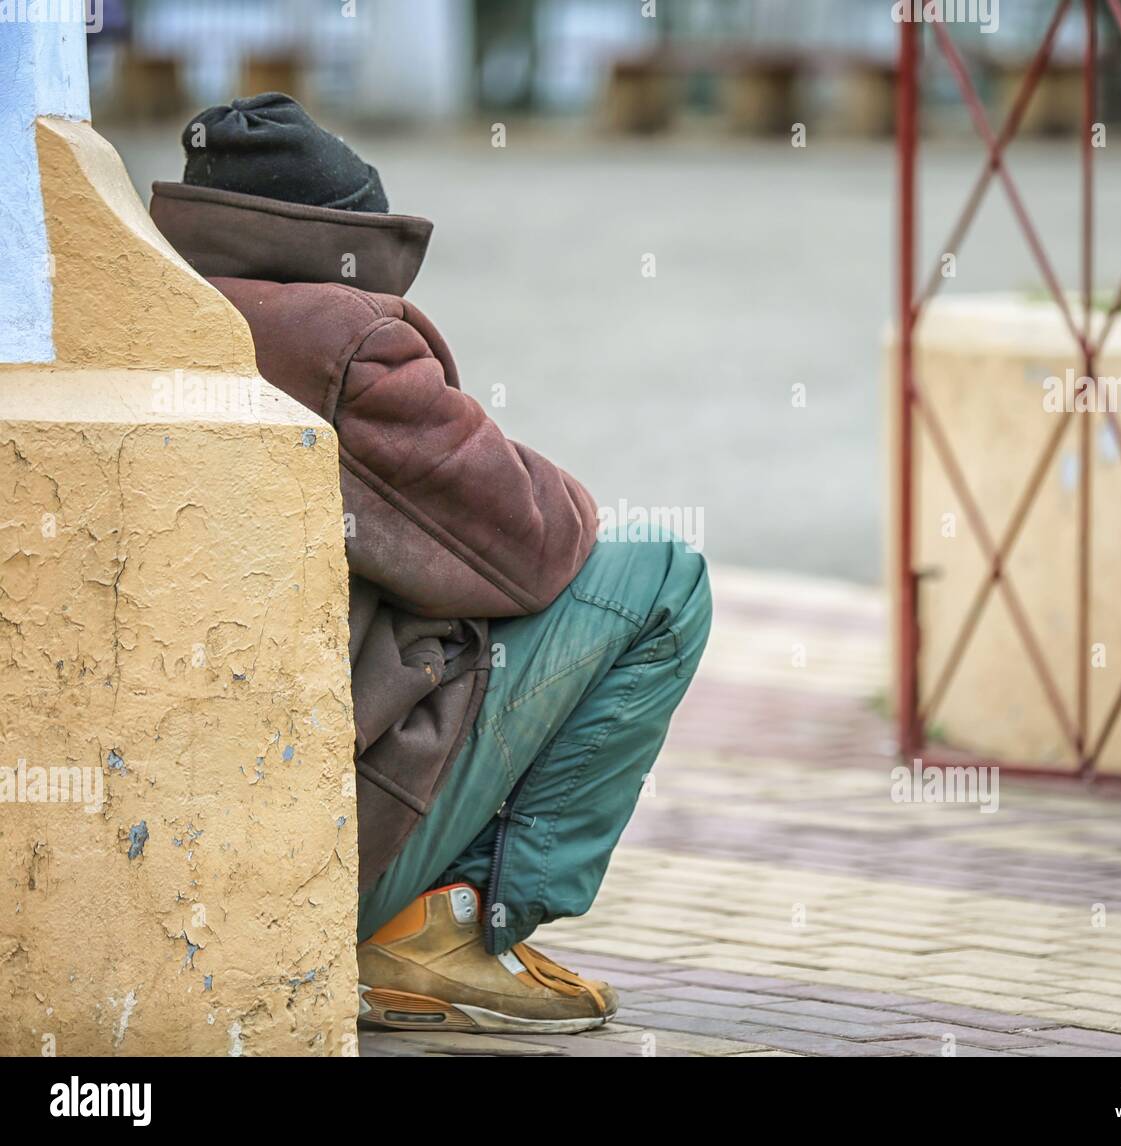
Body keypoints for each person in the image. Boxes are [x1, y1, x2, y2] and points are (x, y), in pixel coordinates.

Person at [150, 93, 711, 1034]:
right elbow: (530, 545)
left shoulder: (146, 318)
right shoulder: (342, 341)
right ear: (344, 232)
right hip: (333, 841)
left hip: (177, 839)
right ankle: (461, 928)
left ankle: (434, 926)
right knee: (660, 581)